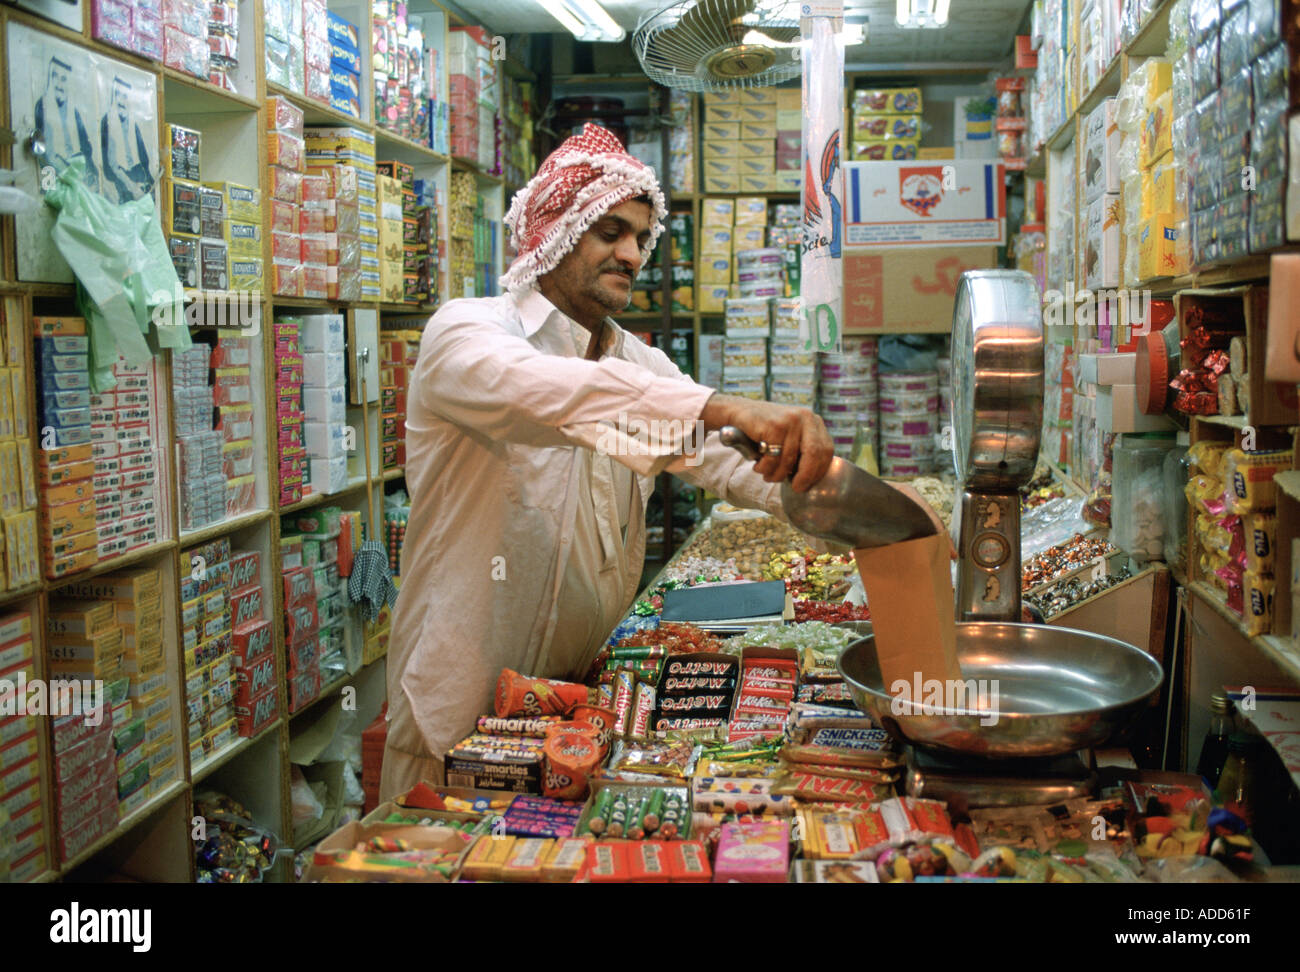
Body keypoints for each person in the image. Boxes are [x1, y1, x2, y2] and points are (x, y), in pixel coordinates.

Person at [379, 124, 938, 800]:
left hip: (566, 708)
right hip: (456, 704)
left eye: (641, 238)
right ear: (555, 227)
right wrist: (721, 405)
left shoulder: (636, 365)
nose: (632, 254)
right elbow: (546, 395)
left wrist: (863, 508)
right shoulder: (467, 332)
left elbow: (720, 461)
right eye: (609, 230)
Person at [34, 55, 99, 191]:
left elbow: (86, 147)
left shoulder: (74, 112)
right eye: (55, 77)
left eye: (63, 79)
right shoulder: (42, 106)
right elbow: (46, 156)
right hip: (56, 175)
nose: (59, 85)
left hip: (77, 173)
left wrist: (90, 171)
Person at [100, 77, 154, 204]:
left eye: (125, 96)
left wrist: (148, 183)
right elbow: (111, 166)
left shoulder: (132, 123)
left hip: (138, 178)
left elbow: (143, 158)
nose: (121, 101)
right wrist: (132, 187)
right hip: (119, 181)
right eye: (118, 95)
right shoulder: (107, 122)